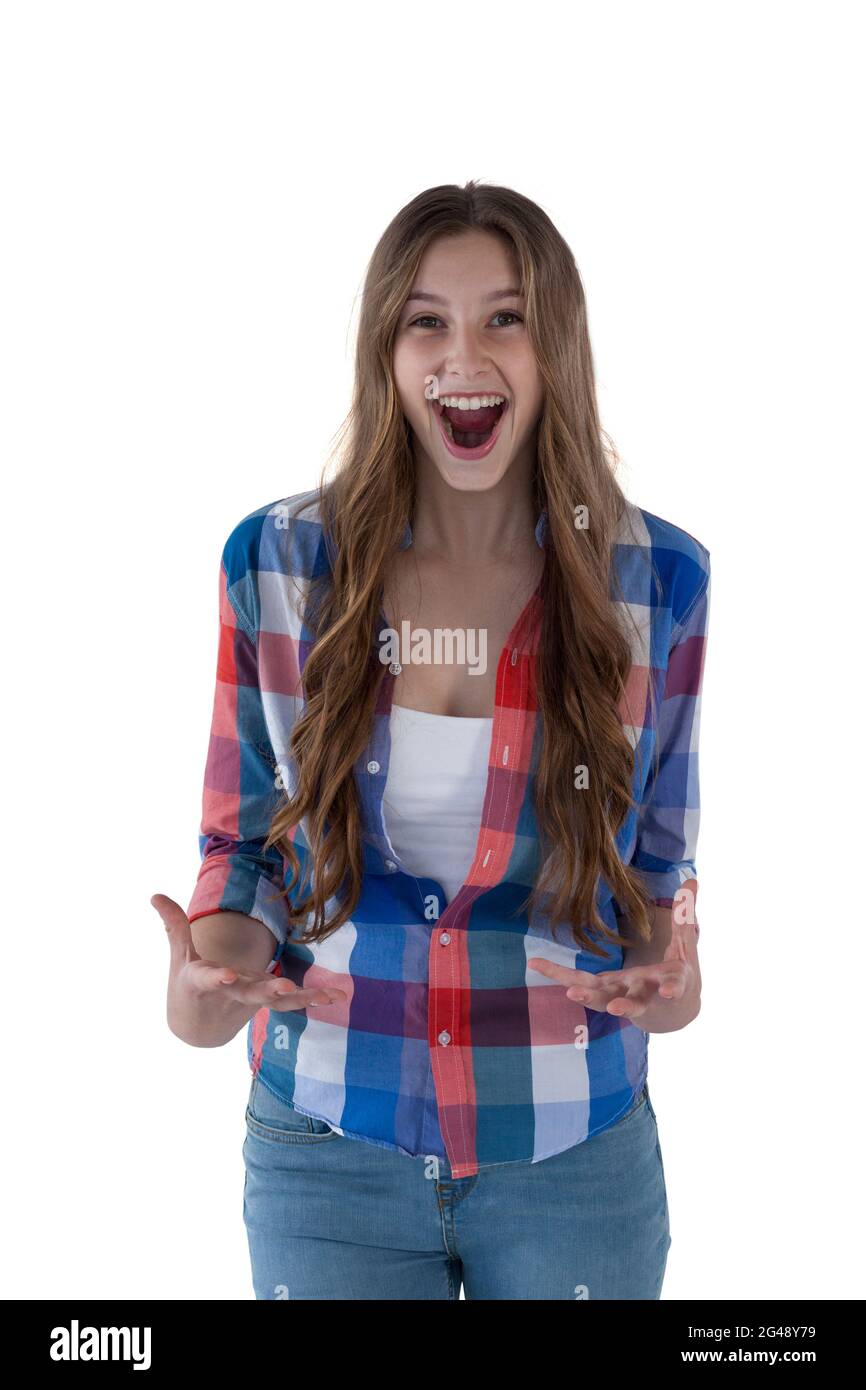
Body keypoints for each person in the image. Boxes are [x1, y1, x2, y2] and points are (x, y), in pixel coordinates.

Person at [152, 180, 710, 1300]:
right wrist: (211, 984)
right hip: (327, 1146)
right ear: (385, 351)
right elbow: (247, 847)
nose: (465, 356)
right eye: (426, 321)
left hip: (573, 1151)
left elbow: (652, 876)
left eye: (505, 317)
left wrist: (669, 982)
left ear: (556, 346)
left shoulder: (657, 579)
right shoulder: (276, 563)